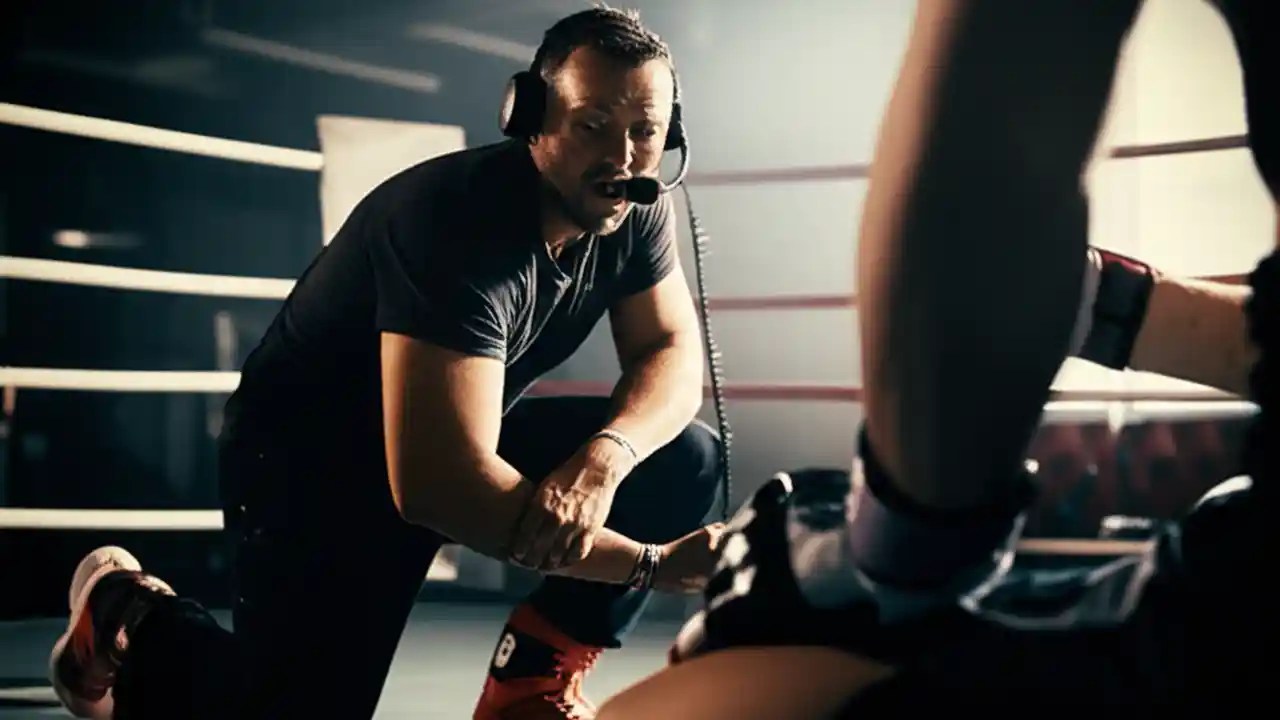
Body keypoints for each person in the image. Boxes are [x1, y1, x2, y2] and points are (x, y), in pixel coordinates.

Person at [596, 0, 1276, 716]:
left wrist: (894, 558)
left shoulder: (642, 228)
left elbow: (986, 183)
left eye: (643, 131)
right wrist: (1093, 302)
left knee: (679, 709)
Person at [48, 7, 728, 720]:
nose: (623, 158)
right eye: (593, 124)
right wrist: (650, 564)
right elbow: (440, 488)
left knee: (680, 457)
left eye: (645, 131)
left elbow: (667, 350)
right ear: (530, 118)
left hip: (450, 438)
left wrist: (602, 461)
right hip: (307, 471)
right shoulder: (455, 224)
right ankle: (129, 614)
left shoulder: (637, 209)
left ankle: (528, 685)